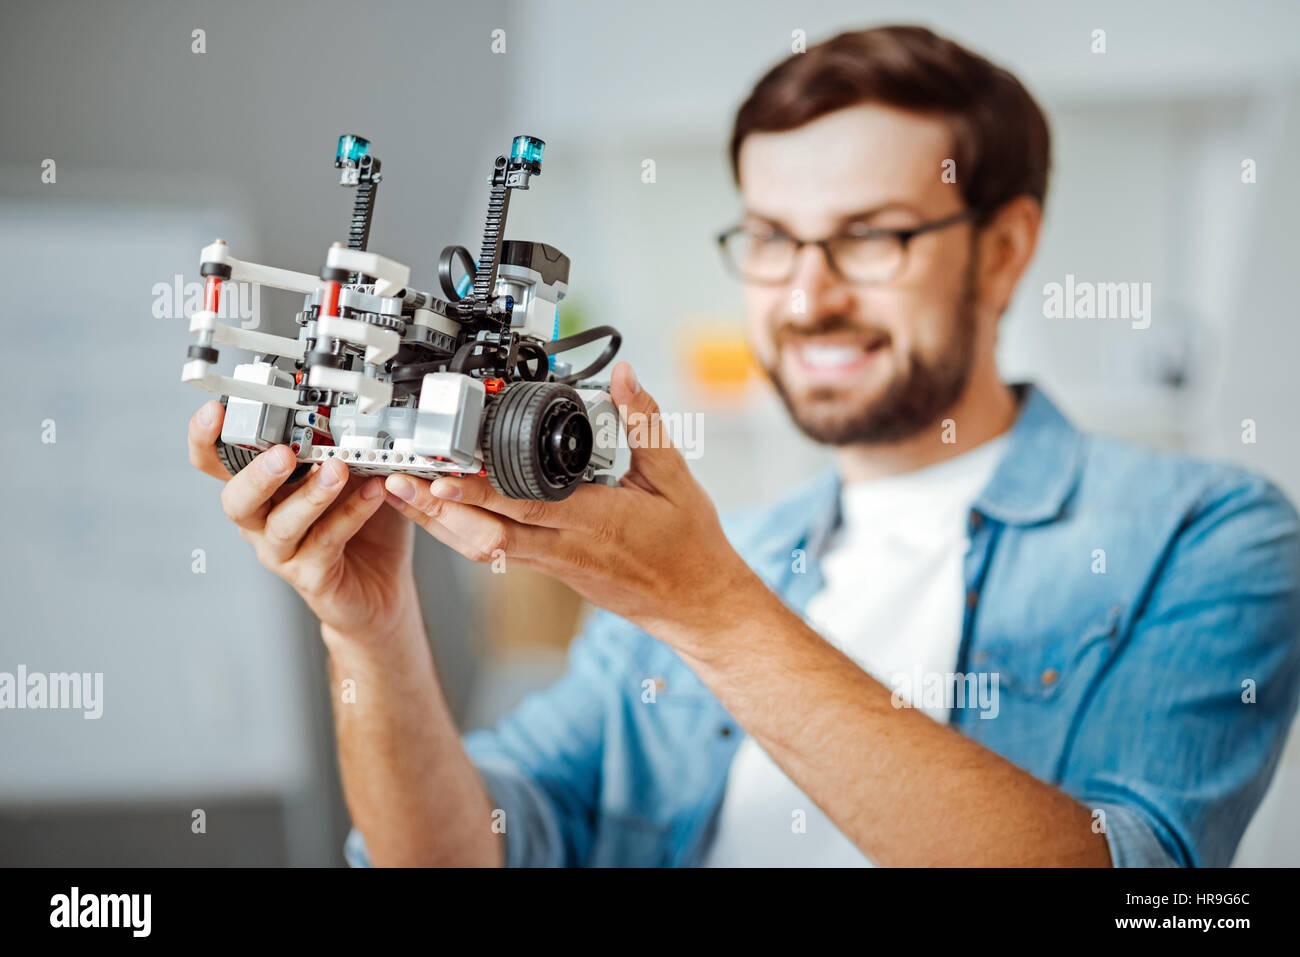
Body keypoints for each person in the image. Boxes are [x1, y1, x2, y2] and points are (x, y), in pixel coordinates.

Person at [186, 25, 1300, 867]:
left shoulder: (1205, 534)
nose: (806, 296)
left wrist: (707, 609)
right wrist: (371, 637)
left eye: (870, 236)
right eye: (770, 239)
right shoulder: (728, 555)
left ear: (1004, 249)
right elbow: (465, 850)